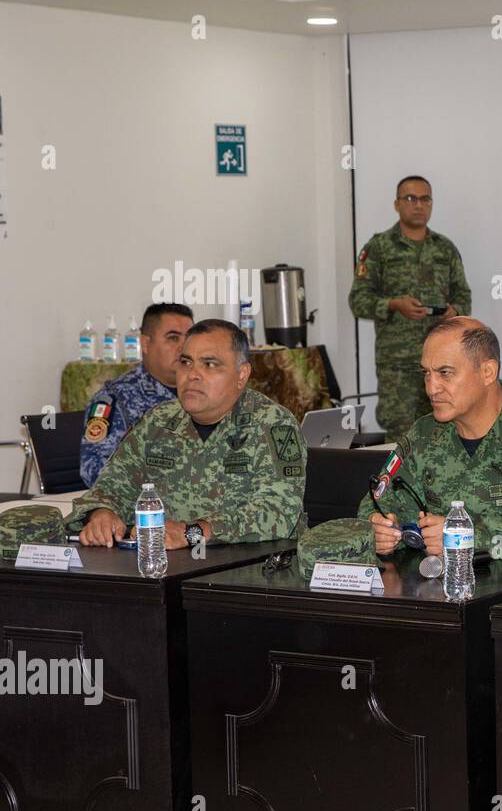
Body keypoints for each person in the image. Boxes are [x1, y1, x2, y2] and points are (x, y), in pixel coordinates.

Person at [69, 319, 307, 549]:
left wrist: (192, 533)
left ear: (241, 375)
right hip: (166, 567)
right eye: (186, 362)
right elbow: (110, 487)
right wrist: (102, 514)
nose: (192, 374)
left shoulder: (273, 425)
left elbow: (278, 512)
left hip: (251, 571)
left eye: (209, 364)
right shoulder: (159, 422)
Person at [363, 318, 502, 560]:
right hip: (434, 589)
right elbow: (377, 502)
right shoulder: (424, 433)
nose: (431, 388)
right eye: (426, 373)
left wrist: (467, 537)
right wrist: (380, 528)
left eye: (445, 373)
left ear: (487, 372)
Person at [348, 175, 472, 438]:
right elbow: (358, 300)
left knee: (444, 432)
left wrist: (454, 312)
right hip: (398, 366)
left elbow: (463, 296)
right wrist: (393, 304)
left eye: (425, 199)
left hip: (443, 362)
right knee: (402, 436)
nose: (418, 205)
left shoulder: (445, 248)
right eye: (410, 199)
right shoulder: (379, 247)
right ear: (397, 204)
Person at [80, 302, 194, 486]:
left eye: (188, 339)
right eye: (173, 338)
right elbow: (94, 471)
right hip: (147, 506)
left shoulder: (205, 391)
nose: (183, 348)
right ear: (145, 344)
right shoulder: (116, 399)